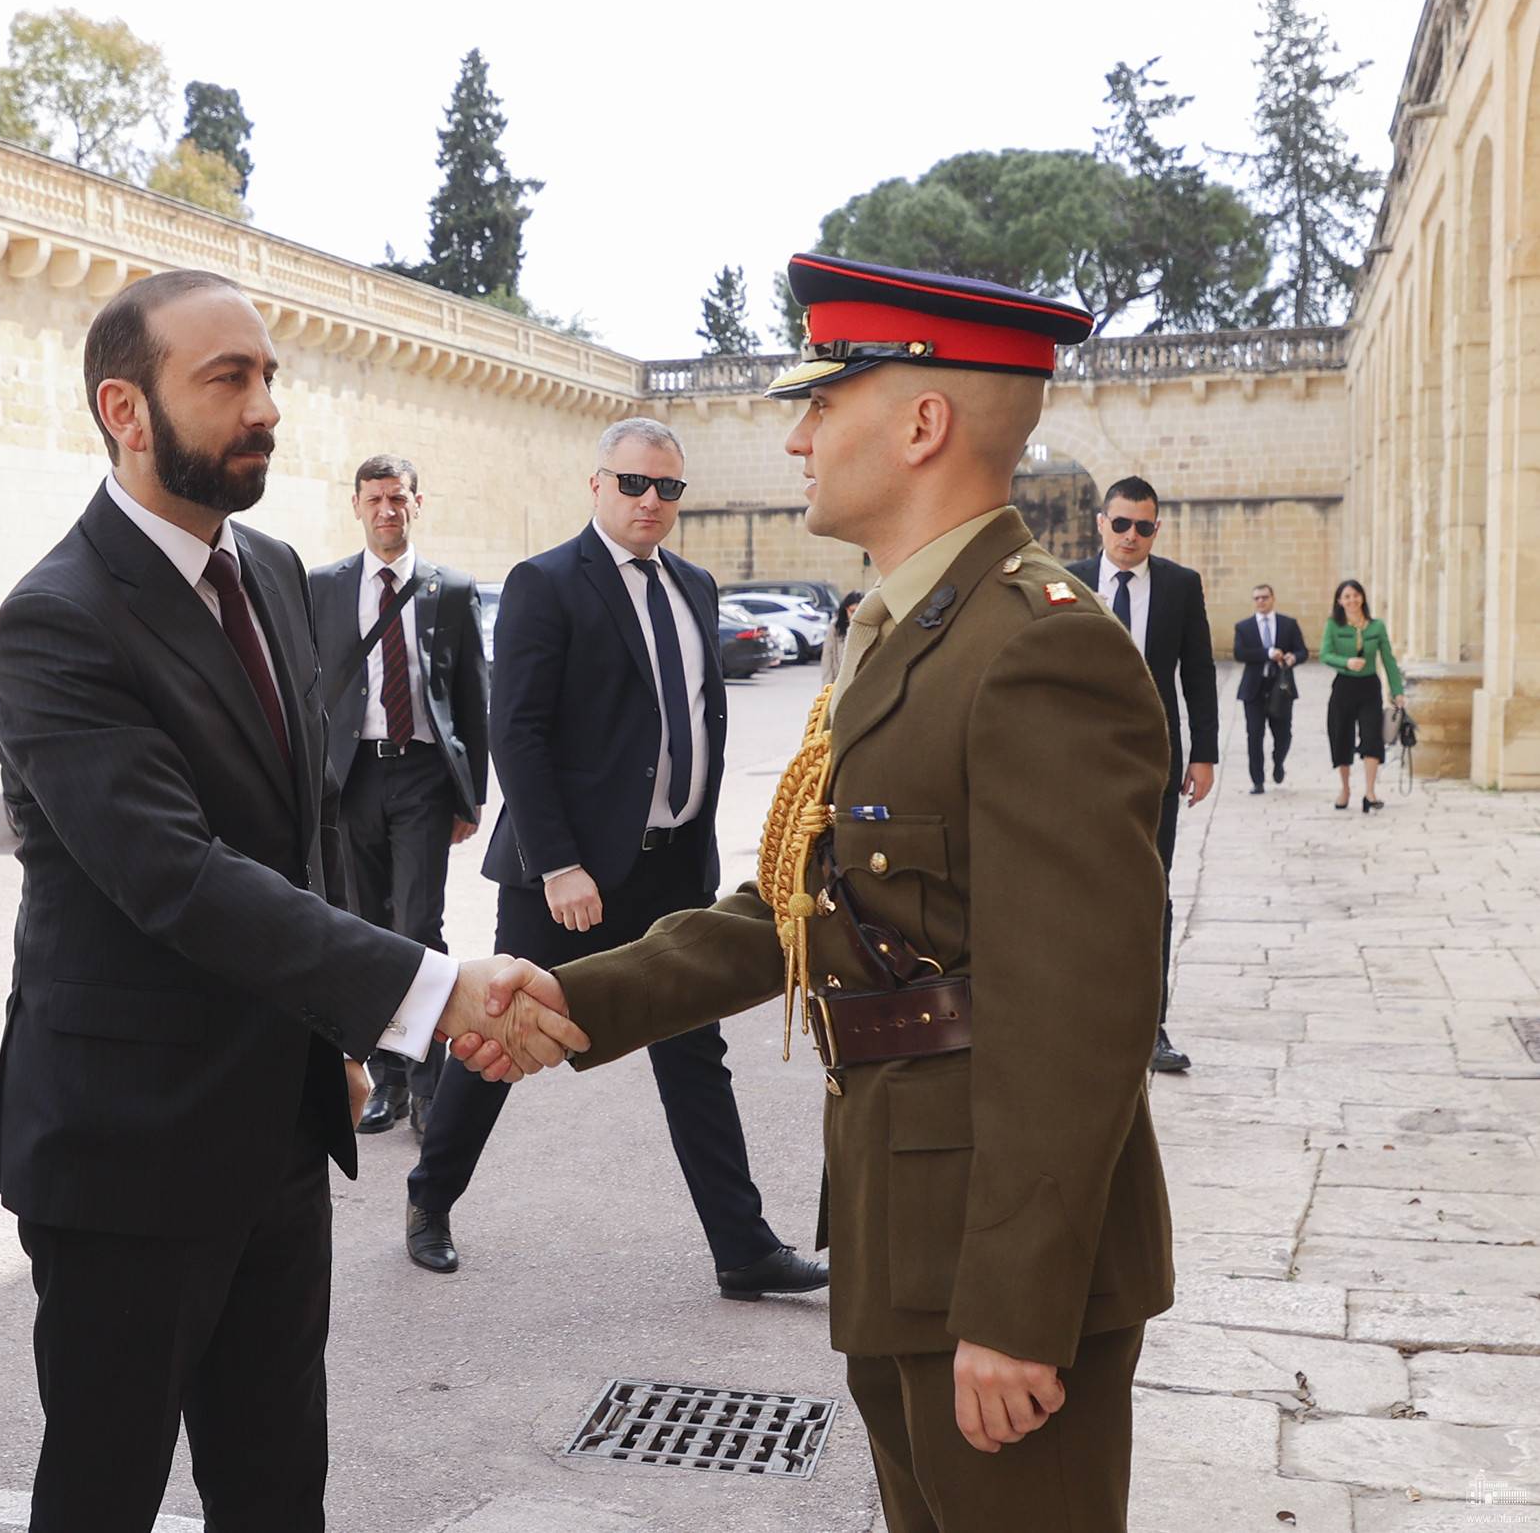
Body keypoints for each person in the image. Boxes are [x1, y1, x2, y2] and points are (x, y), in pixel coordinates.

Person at [461, 254, 1174, 1533]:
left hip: (990, 1265)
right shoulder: (904, 631)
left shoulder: (1039, 647)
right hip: (900, 1219)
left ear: (919, 423)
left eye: (823, 406)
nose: (794, 437)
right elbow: (796, 904)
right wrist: (570, 995)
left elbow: (1083, 1012)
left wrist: (1017, 1307)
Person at [0, 269, 581, 1533]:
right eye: (227, 380)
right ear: (124, 409)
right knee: (102, 1494)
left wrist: (335, 1038)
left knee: (275, 1489)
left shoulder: (264, 566)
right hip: (124, 1152)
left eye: (268, 379)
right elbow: (178, 876)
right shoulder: (55, 620)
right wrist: (426, 988)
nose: (264, 409)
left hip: (273, 1128)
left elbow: (297, 834)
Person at [405, 416, 826, 1299]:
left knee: (692, 1052)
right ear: (596, 484)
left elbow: (694, 718)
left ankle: (742, 1249)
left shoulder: (696, 586)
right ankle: (430, 1195)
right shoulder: (546, 582)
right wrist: (560, 862)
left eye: (667, 488)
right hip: (567, 874)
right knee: (501, 1034)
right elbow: (515, 730)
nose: (650, 501)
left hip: (671, 867)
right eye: (633, 483)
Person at [309, 454, 490, 1136]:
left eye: (400, 498)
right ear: (356, 504)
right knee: (363, 928)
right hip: (350, 778)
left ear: (419, 503)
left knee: (417, 926)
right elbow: (307, 691)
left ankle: (426, 1077)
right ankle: (385, 1078)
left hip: (420, 774)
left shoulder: (450, 588)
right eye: (376, 498)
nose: (389, 509)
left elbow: (474, 696)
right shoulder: (323, 586)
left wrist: (470, 798)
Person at [1066, 478, 1215, 1075]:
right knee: (1077, 886)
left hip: (1155, 762)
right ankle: (1077, 1017)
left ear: (1158, 529)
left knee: (1151, 888)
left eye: (1144, 527)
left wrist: (1204, 753)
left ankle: (1149, 1026)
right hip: (1077, 763)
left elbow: (1199, 672)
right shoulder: (1066, 579)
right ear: (1101, 523)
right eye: (1122, 524)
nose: (1132, 537)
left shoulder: (1180, 587)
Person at [1321, 579, 1405, 812]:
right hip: (1344, 687)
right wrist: (1346, 662)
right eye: (1346, 596)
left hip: (1369, 687)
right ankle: (1345, 788)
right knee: (1341, 736)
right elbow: (1325, 655)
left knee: (1372, 738)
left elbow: (1388, 659)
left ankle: (1369, 792)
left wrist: (1397, 692)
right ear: (1339, 601)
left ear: (1363, 598)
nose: (1352, 600)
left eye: (1355, 595)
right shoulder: (1333, 625)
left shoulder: (1376, 627)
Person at [1233, 583, 1308, 794]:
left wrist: (1294, 657)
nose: (1261, 601)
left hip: (1281, 688)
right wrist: (1267, 653)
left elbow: (1303, 651)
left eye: (1264, 597)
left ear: (1273, 598)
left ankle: (1278, 762)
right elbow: (1239, 653)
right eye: (1256, 598)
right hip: (1254, 689)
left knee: (1283, 734)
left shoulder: (1288, 624)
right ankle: (1257, 780)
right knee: (1254, 735)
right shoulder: (1244, 627)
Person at [820, 589, 866, 684]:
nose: (855, 616)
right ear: (846, 610)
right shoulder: (835, 627)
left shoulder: (869, 628)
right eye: (852, 611)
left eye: (859, 611)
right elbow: (827, 657)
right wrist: (827, 686)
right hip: (839, 680)